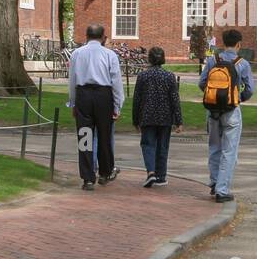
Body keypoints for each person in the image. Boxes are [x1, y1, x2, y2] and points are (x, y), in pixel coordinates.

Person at [199, 28, 255, 203]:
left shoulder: (212, 60)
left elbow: (202, 83)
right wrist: (237, 98)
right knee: (229, 151)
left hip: (212, 111)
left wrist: (214, 97)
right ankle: (222, 190)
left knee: (214, 147)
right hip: (231, 111)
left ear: (223, 43)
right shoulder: (242, 63)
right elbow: (250, 89)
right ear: (239, 44)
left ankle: (215, 183)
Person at [67, 24, 123, 191]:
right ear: (103, 37)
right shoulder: (109, 55)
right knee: (104, 135)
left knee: (85, 136)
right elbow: (116, 82)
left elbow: (72, 79)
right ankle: (105, 172)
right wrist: (117, 105)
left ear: (86, 36)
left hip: (83, 95)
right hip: (103, 95)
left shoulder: (77, 54)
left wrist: (73, 102)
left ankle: (87, 177)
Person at [133, 46, 183, 187]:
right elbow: (175, 99)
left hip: (147, 115)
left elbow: (137, 99)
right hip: (165, 116)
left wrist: (135, 120)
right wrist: (179, 120)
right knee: (163, 146)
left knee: (148, 144)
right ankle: (161, 176)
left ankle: (151, 172)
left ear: (149, 59)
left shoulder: (143, 76)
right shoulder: (169, 76)